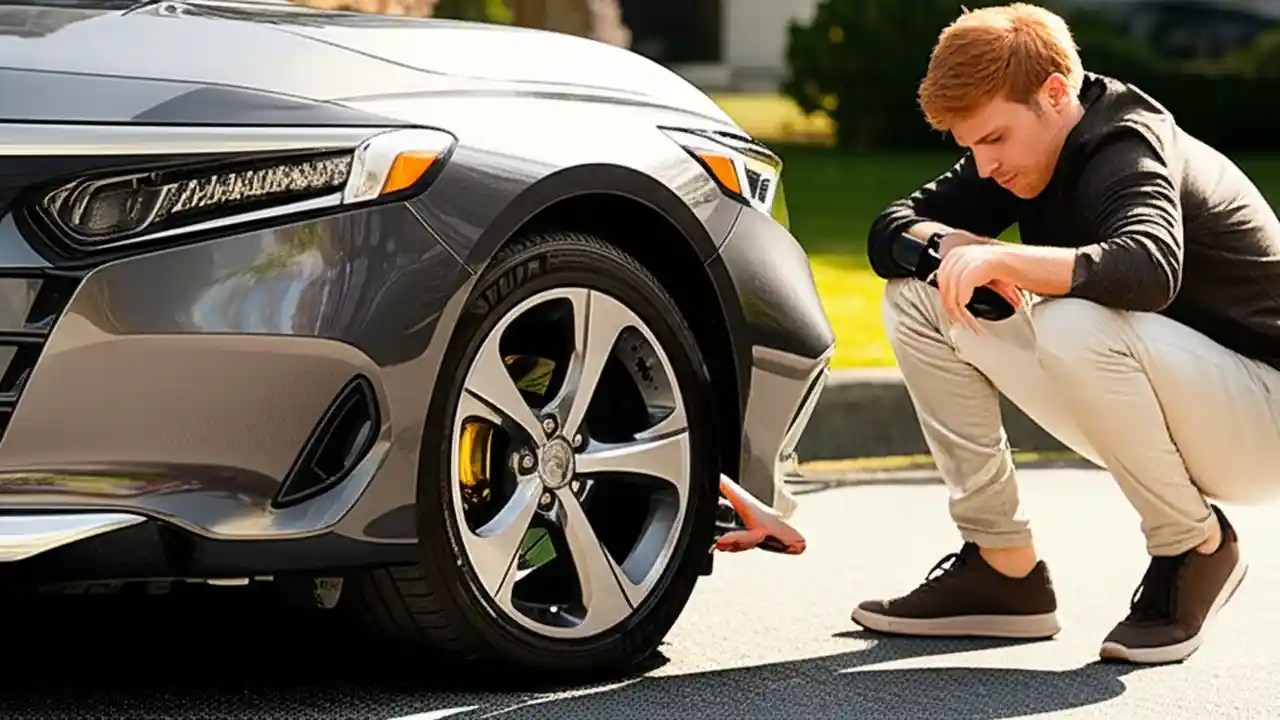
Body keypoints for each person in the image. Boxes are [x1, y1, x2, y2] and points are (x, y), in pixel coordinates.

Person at [853, 2, 1276, 665]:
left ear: (1054, 94)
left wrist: (1005, 259)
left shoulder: (1125, 143)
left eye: (992, 140)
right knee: (917, 294)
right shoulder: (1023, 149)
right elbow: (891, 229)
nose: (984, 166)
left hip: (1262, 410)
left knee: (1072, 318)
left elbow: (1149, 268)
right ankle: (1003, 568)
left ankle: (1193, 547)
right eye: (970, 148)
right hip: (1167, 391)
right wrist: (951, 246)